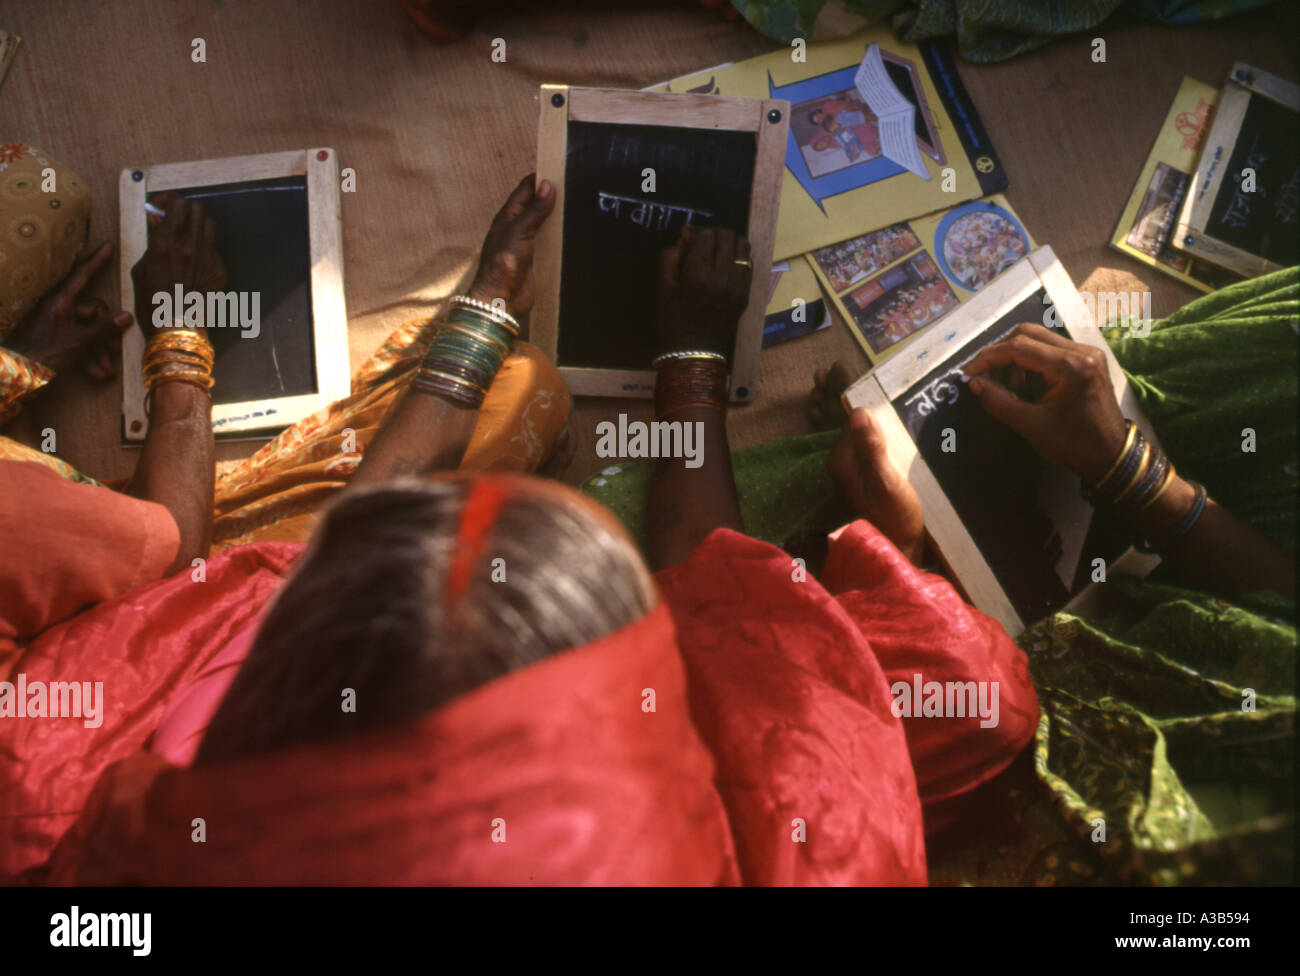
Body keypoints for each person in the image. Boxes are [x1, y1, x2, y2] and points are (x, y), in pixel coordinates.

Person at [12, 226, 1039, 886]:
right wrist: (691, 354)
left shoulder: (60, 793)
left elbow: (307, 560)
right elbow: (714, 581)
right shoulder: (795, 840)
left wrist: (185, 341)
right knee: (974, 686)